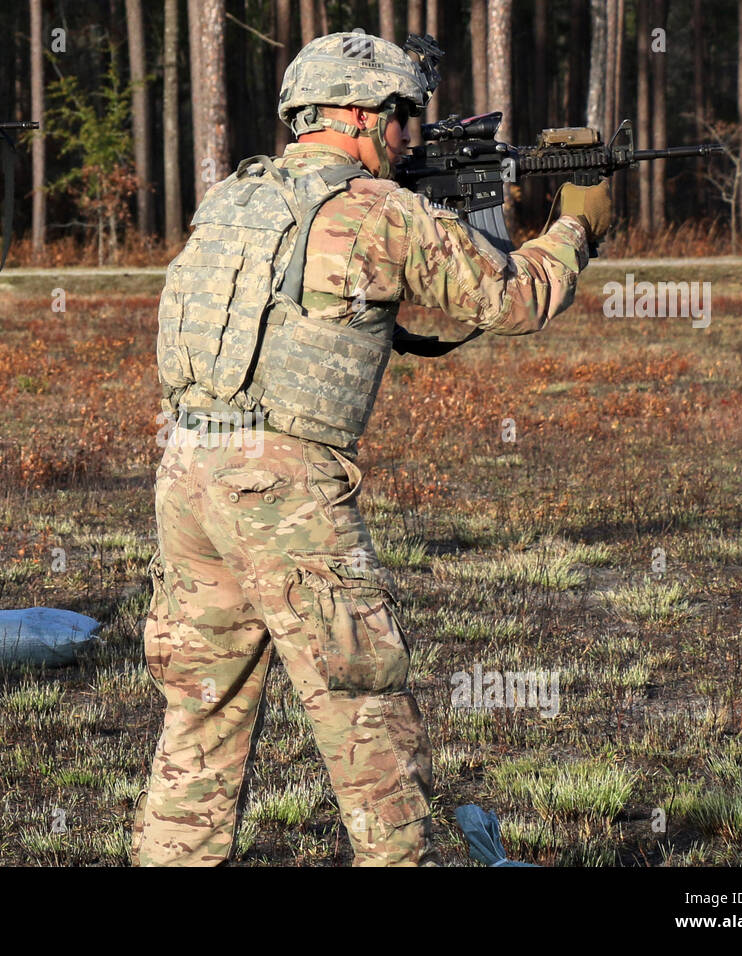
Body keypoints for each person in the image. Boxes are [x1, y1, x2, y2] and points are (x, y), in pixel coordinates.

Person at [132, 32, 611, 866]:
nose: (411, 139)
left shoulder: (233, 199)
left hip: (189, 471)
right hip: (283, 492)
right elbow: (512, 299)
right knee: (364, 711)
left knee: (202, 709)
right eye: (403, 119)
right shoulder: (381, 212)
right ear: (360, 114)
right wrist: (577, 224)